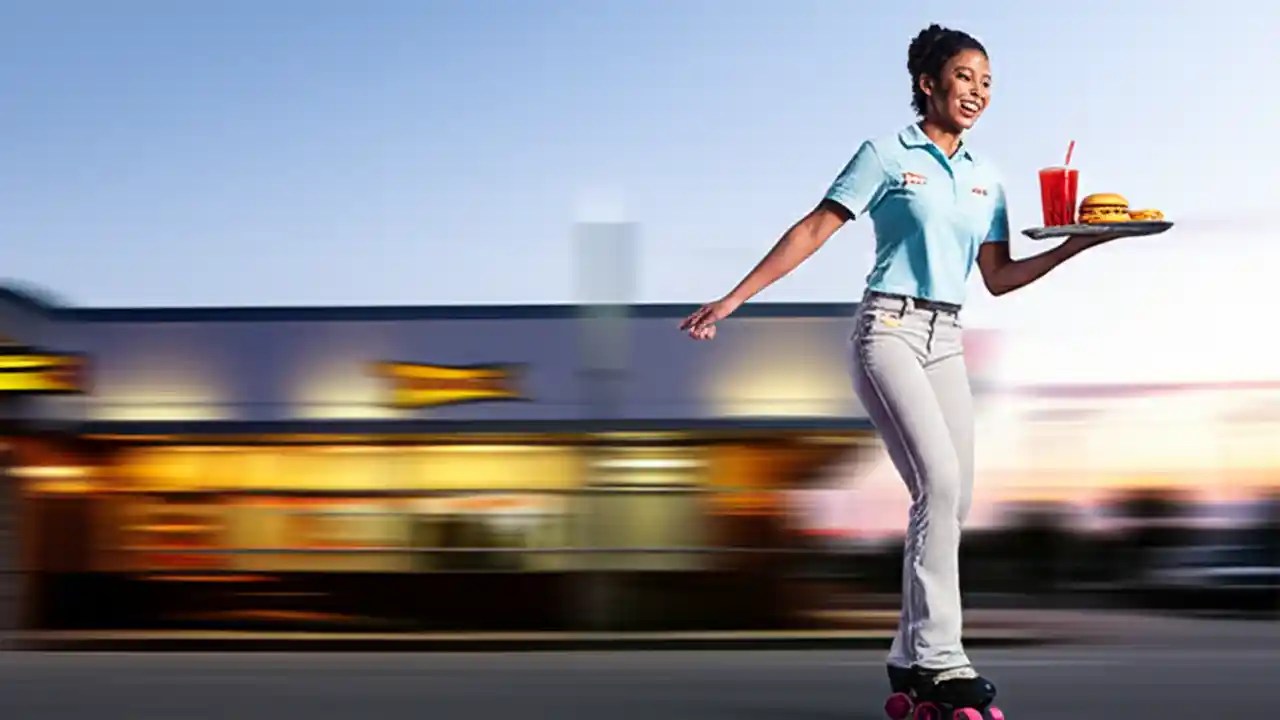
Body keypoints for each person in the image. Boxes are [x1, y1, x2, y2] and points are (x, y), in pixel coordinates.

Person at [679, 23, 1121, 714]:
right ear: (928, 83)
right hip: (887, 329)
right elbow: (815, 228)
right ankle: (943, 659)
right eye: (966, 76)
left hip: (947, 336)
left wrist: (1077, 245)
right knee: (938, 484)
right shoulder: (886, 155)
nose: (978, 91)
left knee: (952, 496)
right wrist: (735, 297)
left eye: (987, 81)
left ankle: (909, 656)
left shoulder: (986, 177)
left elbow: (998, 277)